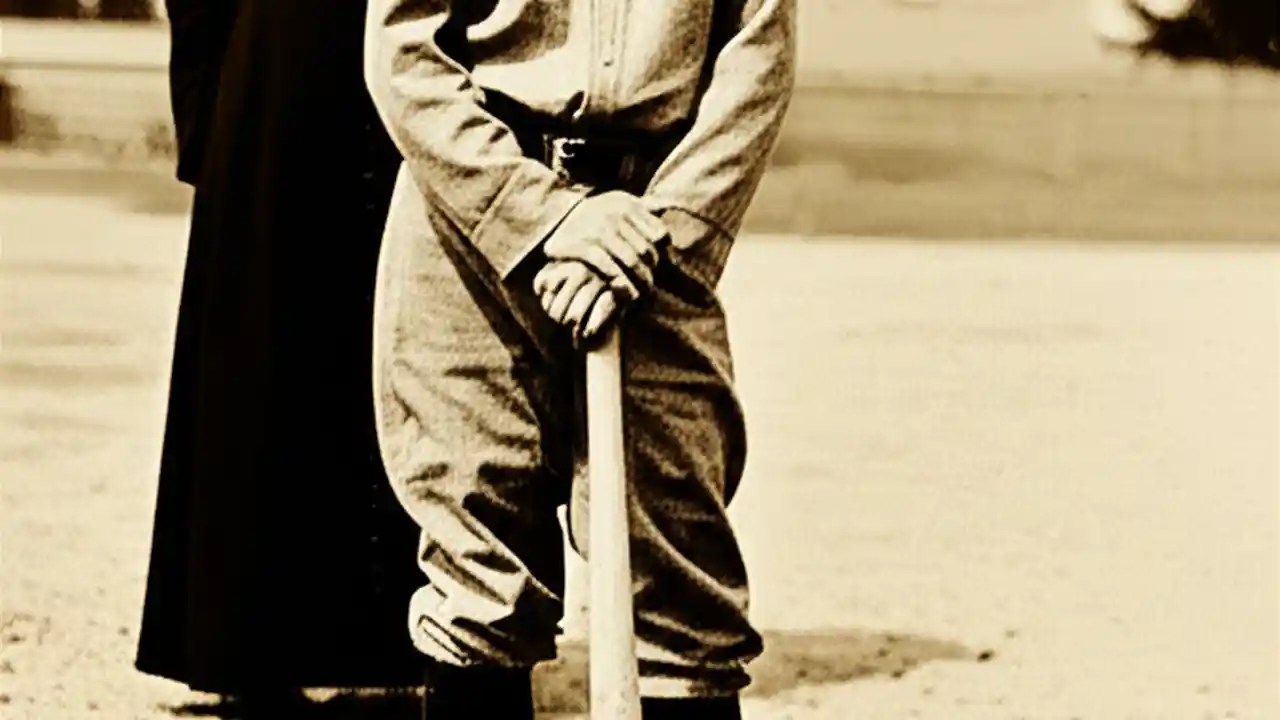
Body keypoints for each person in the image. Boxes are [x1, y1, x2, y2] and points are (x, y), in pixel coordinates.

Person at [363, 1, 796, 717]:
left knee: (682, 581)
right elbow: (406, 52)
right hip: (473, 211)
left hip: (652, 231)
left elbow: (757, 62)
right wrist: (541, 216)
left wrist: (660, 237)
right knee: (479, 575)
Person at [135, 0, 424, 711]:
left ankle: (392, 642)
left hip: (390, 76)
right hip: (284, 74)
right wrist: (209, 121)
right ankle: (257, 642)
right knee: (270, 355)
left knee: (401, 344)